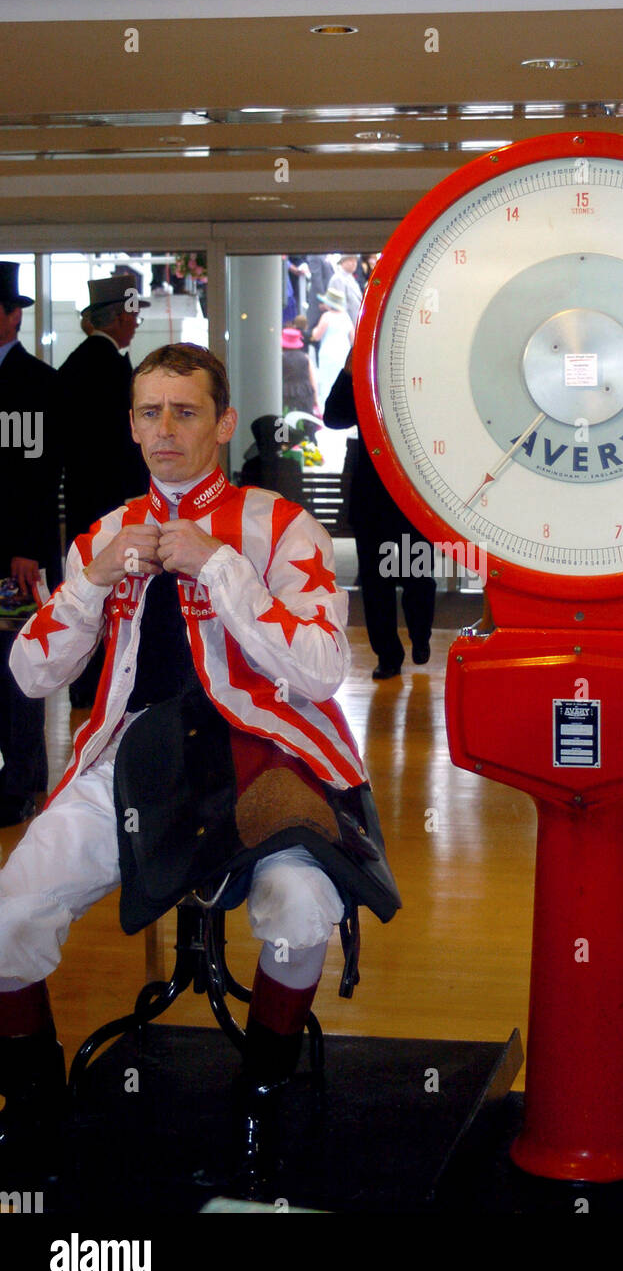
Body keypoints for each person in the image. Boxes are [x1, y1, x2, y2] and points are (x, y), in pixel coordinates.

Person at [0, 342, 397, 1178]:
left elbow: (323, 666)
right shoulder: (103, 536)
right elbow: (33, 670)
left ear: (221, 421)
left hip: (269, 759)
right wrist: (92, 584)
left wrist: (221, 569)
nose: (165, 430)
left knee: (298, 907)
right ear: (132, 425)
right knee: (8, 915)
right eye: (149, 412)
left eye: (186, 411)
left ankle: (264, 1089)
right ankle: (32, 1092)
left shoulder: (282, 526)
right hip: (130, 764)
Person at [59, 274, 151, 707]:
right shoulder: (115, 370)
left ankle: (84, 681)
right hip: (115, 506)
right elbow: (127, 448)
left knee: (87, 591)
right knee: (116, 594)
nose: (135, 323)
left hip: (82, 502)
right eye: (132, 314)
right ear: (115, 318)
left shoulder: (73, 365)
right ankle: (109, 681)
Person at [324, 347, 436, 679]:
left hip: (414, 494)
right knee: (376, 582)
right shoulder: (366, 373)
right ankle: (387, 654)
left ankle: (420, 636)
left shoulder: (423, 376)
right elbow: (334, 417)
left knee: (417, 575)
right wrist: (348, 371)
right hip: (373, 497)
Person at [0, 262, 61, 826]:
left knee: (16, 667)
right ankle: (15, 778)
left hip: (14, 560)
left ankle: (22, 782)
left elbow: (42, 478)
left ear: (12, 316)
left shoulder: (39, 383)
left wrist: (29, 547)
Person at [311, 282, 354, 408]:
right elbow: (353, 338)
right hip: (343, 352)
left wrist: (313, 331)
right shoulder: (346, 317)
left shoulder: (326, 316)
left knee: (327, 381)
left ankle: (326, 407)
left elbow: (317, 335)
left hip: (328, 353)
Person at [330, 255, 363, 325]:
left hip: (356, 322)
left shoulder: (351, 278)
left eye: (355, 261)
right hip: (347, 326)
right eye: (351, 260)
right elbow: (340, 307)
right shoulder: (338, 279)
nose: (354, 263)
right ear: (342, 262)